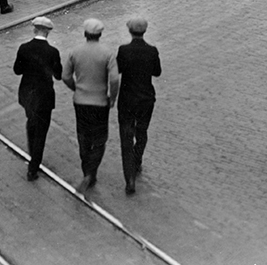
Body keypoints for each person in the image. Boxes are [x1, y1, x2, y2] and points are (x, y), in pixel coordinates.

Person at [62, 18, 119, 192]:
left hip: (80, 101)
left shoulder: (75, 52)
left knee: (83, 137)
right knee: (100, 140)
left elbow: (65, 76)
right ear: (100, 34)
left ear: (85, 34)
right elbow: (115, 79)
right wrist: (112, 98)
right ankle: (90, 173)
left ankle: (87, 171)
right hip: (100, 102)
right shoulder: (108, 53)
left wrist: (76, 88)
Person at [116, 17, 161, 195]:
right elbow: (157, 72)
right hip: (146, 98)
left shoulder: (124, 50)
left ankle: (130, 179)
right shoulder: (152, 51)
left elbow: (117, 70)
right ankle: (137, 159)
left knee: (126, 137)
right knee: (141, 132)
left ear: (130, 31)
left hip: (127, 99)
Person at [13, 16, 62, 180]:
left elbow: (17, 70)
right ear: (48, 32)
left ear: (35, 30)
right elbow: (59, 75)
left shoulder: (24, 48)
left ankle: (32, 155)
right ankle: (33, 166)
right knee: (42, 130)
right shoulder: (53, 52)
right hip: (44, 95)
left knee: (31, 123)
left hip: (27, 94)